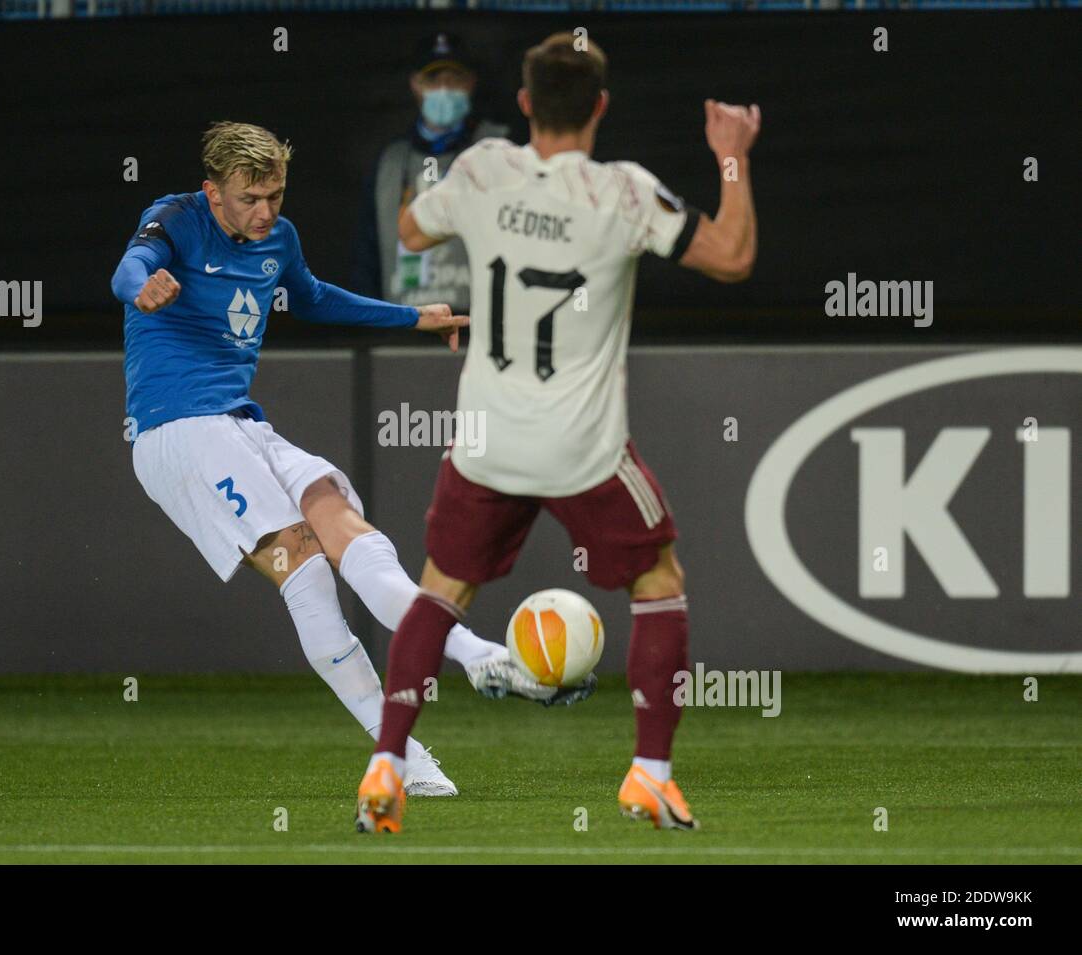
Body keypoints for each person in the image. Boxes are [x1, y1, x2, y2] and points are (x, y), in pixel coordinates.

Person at [355, 32, 760, 832]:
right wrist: (732, 156)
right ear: (601, 108)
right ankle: (649, 773)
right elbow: (734, 254)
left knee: (441, 590)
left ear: (527, 104)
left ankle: (387, 762)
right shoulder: (624, 192)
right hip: (581, 447)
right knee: (658, 583)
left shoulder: (482, 169)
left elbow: (407, 232)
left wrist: (479, 203)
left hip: (487, 439)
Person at [110, 122, 582, 799]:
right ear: (214, 193)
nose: (266, 210)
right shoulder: (176, 219)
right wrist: (140, 287)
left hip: (243, 425)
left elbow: (316, 298)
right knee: (306, 575)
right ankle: (406, 754)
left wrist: (414, 318)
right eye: (250, 197)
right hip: (176, 433)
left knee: (349, 531)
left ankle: (481, 659)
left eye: (275, 193)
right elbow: (128, 266)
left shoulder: (279, 236)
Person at [352, 33, 509, 315]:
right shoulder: (389, 162)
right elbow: (366, 258)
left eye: (454, 79)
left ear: (471, 83)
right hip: (402, 329)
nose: (444, 89)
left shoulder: (499, 151)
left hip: (479, 327)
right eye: (434, 80)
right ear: (415, 85)